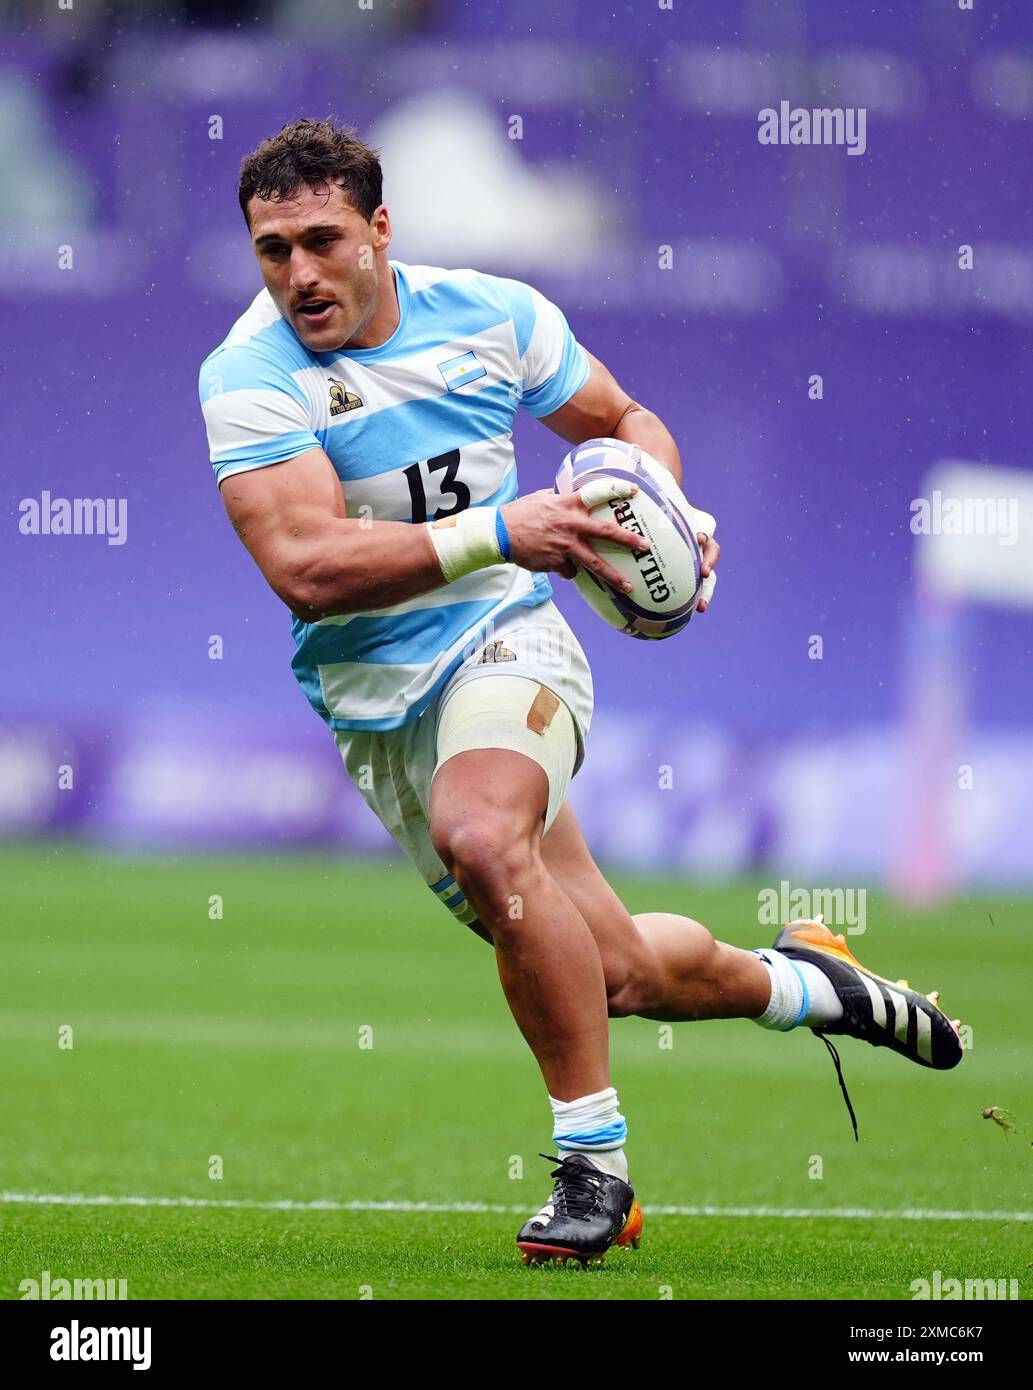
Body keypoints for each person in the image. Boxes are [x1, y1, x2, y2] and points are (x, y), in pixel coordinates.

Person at [198, 118, 963, 1266]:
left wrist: (667, 510)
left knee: (479, 830)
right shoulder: (249, 375)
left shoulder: (497, 317)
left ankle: (593, 1171)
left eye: (321, 240)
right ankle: (813, 980)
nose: (298, 273)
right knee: (616, 974)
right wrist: (502, 524)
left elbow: (618, 422)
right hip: (378, 701)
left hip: (509, 644)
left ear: (380, 230)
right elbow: (304, 569)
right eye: (272, 250)